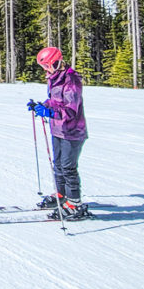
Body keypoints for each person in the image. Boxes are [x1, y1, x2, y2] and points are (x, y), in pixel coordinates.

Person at [27, 46, 89, 220]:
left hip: (72, 131)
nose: (45, 70)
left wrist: (51, 113)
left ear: (55, 62)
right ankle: (62, 195)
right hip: (58, 129)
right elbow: (55, 101)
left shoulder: (71, 80)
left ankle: (75, 203)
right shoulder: (55, 78)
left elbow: (71, 111)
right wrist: (43, 105)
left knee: (68, 167)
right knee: (58, 164)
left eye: (46, 66)